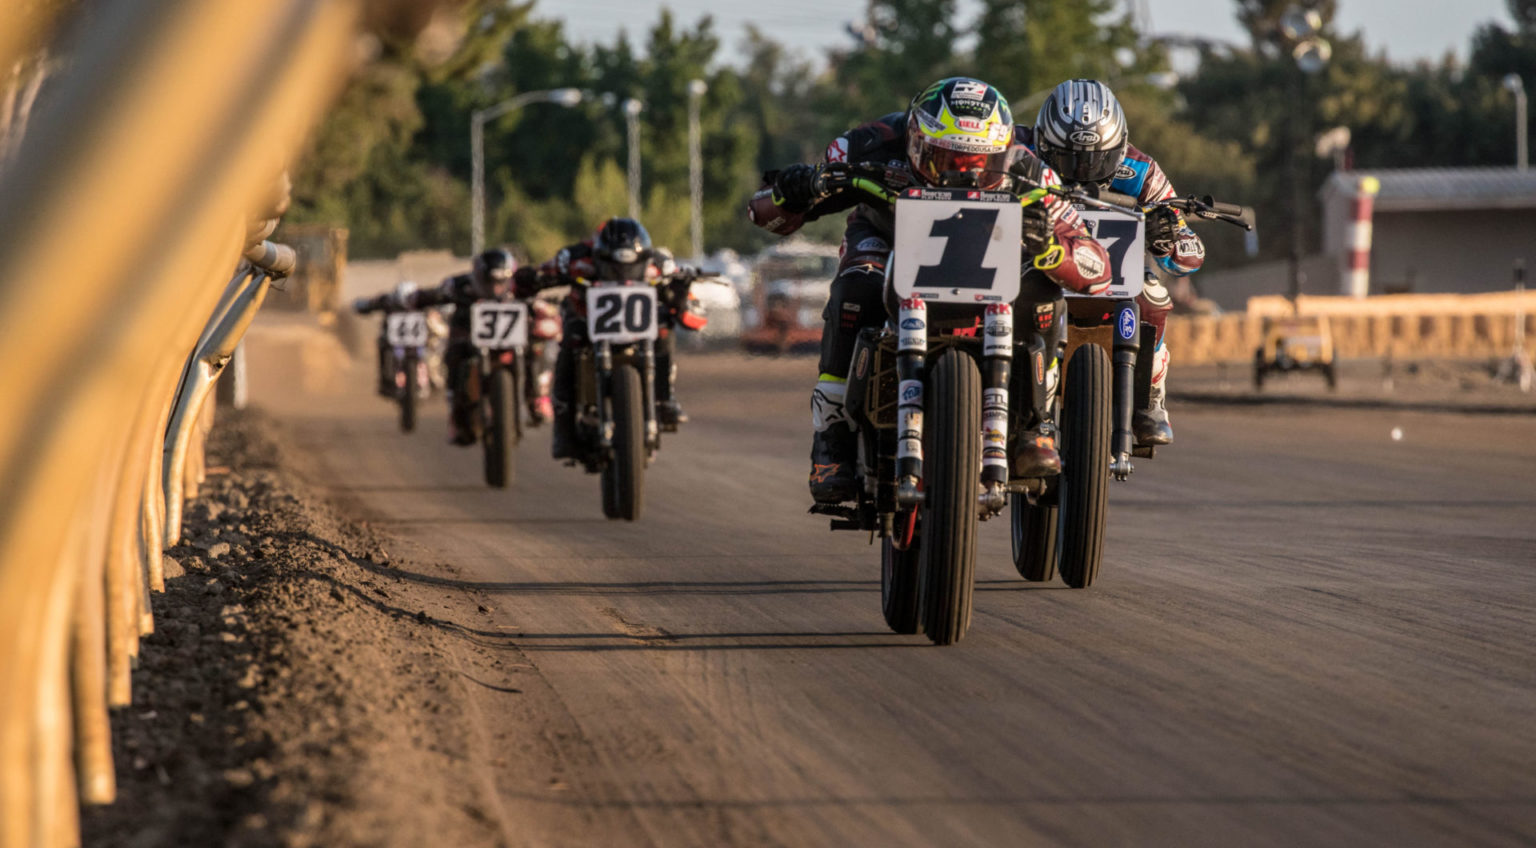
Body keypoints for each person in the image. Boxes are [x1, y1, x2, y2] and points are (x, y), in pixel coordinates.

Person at [746, 76, 1112, 505]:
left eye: (980, 163)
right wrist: (796, 189)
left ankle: (1037, 424)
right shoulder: (868, 144)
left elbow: (1096, 264)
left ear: (1004, 149)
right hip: (887, 237)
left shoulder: (1030, 169)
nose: (963, 174)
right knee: (855, 287)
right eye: (946, 159)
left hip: (989, 252)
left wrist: (1051, 250)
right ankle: (831, 436)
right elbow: (763, 213)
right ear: (915, 140)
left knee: (1043, 291)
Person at [1023, 79, 1206, 446]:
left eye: (1095, 159)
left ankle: (1150, 395)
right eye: (1068, 159)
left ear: (1119, 145)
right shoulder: (1014, 150)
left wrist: (1165, 233)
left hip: (1114, 274)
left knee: (1152, 294)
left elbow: (1190, 252)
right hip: (1035, 263)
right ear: (1043, 143)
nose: (1081, 172)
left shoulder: (1142, 170)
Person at [515, 217, 706, 460]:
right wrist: (529, 279)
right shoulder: (573, 258)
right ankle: (563, 429)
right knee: (569, 341)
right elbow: (539, 274)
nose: (622, 275)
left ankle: (665, 397)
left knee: (663, 325)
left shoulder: (659, 263)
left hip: (638, 327)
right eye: (612, 266)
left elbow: (689, 306)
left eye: (630, 267)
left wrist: (680, 297)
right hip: (585, 321)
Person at [410, 248, 557, 445]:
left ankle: (538, 396)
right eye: (490, 282)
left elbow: (543, 299)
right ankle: (455, 408)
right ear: (478, 277)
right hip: (469, 338)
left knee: (537, 347)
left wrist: (546, 309)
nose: (495, 289)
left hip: (514, 341)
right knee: (454, 353)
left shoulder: (521, 284)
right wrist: (420, 298)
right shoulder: (459, 285)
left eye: (500, 283)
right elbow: (435, 293)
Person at [353, 280, 423, 397]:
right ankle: (386, 380)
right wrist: (363, 306)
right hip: (394, 341)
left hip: (419, 341)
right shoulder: (387, 300)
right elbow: (368, 305)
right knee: (382, 342)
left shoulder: (423, 299)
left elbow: (440, 300)